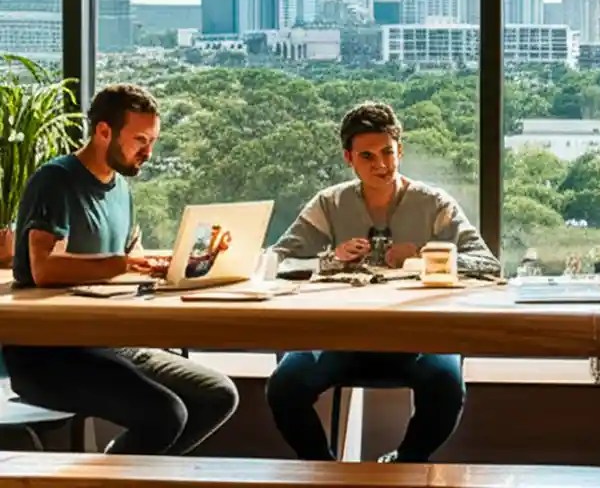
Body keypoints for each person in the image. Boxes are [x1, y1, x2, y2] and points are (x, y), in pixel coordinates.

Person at [2, 84, 239, 455]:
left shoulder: (120, 189)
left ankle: (121, 471)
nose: (149, 152)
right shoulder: (56, 181)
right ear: (103, 131)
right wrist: (124, 264)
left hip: (110, 340)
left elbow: (131, 257)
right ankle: (110, 477)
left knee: (218, 395)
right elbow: (44, 268)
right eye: (140, 140)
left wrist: (167, 267)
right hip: (52, 354)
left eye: (153, 141)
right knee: (166, 414)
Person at [266, 102, 499, 464]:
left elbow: (488, 265)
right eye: (367, 156)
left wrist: (422, 255)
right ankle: (325, 471)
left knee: (446, 385)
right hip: (339, 337)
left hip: (418, 336)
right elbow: (275, 261)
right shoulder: (329, 204)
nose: (381, 165)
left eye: (388, 153)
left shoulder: (434, 204)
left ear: (399, 150)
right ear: (349, 158)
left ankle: (406, 466)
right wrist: (331, 258)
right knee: (284, 387)